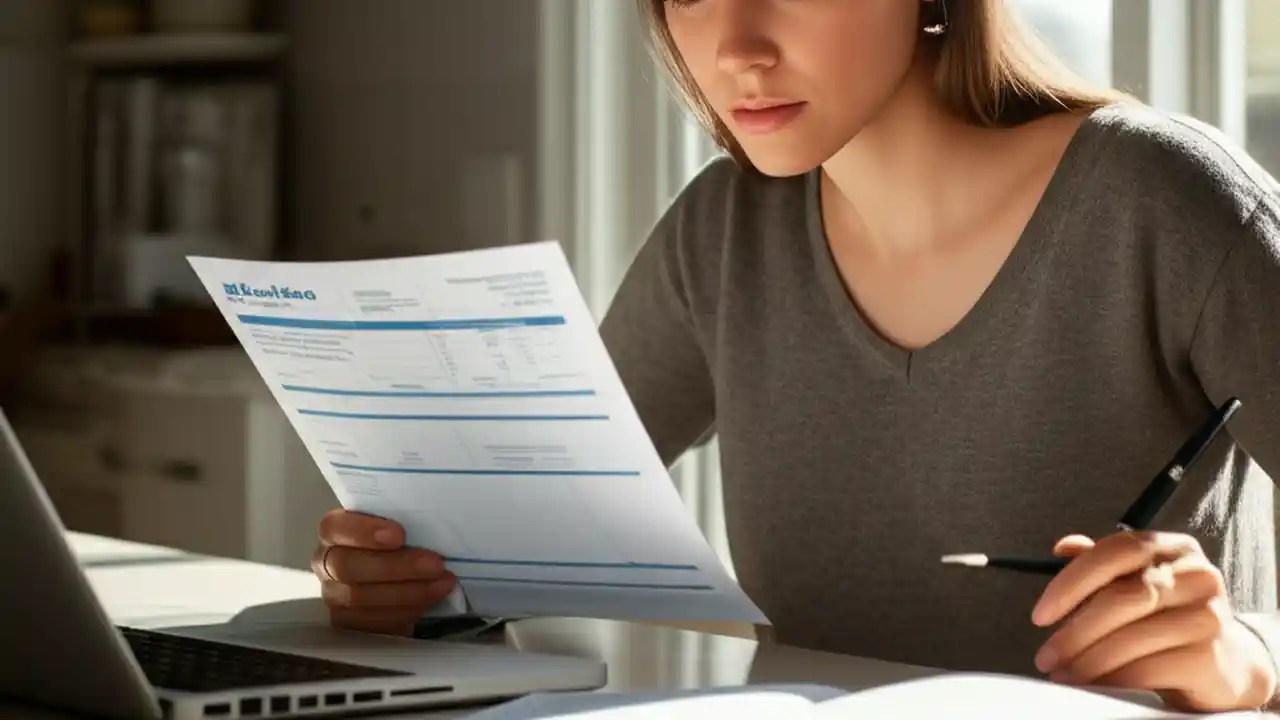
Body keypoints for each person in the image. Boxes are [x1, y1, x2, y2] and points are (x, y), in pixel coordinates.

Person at [310, 0, 1280, 711]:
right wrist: (412, 586)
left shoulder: (1170, 206)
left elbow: (1247, 661)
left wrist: (1243, 658)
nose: (735, 47)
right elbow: (504, 548)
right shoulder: (723, 236)